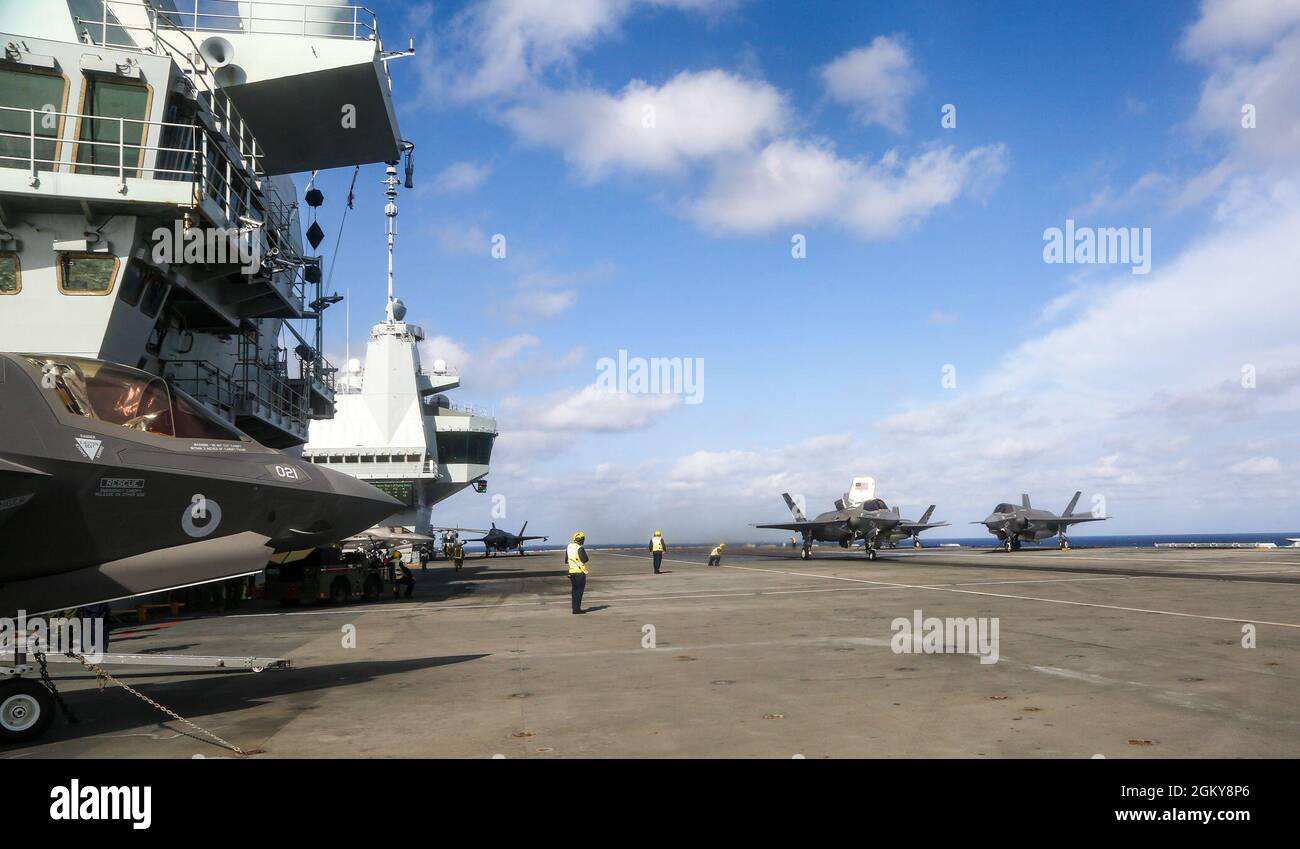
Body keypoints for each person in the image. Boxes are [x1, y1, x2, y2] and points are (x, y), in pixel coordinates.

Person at [566, 531, 590, 614]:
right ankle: (577, 609)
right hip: (580, 572)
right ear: (582, 540)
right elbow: (585, 559)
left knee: (574, 590)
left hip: (571, 572)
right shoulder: (580, 548)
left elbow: (566, 560)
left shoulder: (569, 547)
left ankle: (574, 608)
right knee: (579, 591)